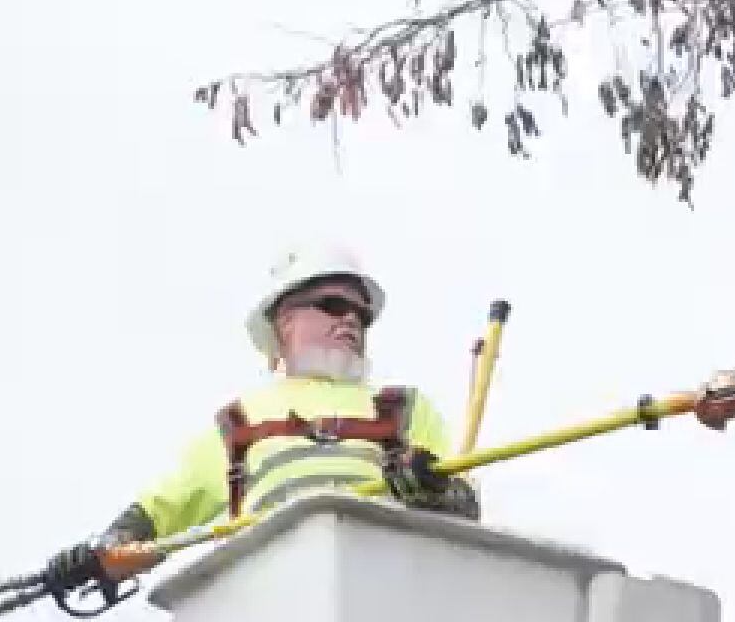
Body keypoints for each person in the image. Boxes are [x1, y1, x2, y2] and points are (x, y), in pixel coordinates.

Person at [42, 244, 480, 596]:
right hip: (270, 604)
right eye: (331, 304)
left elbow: (467, 509)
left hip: (388, 593)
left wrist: (435, 487)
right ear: (284, 322)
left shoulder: (403, 409)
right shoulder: (240, 422)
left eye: (360, 314)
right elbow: (161, 514)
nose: (351, 319)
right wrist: (104, 554)